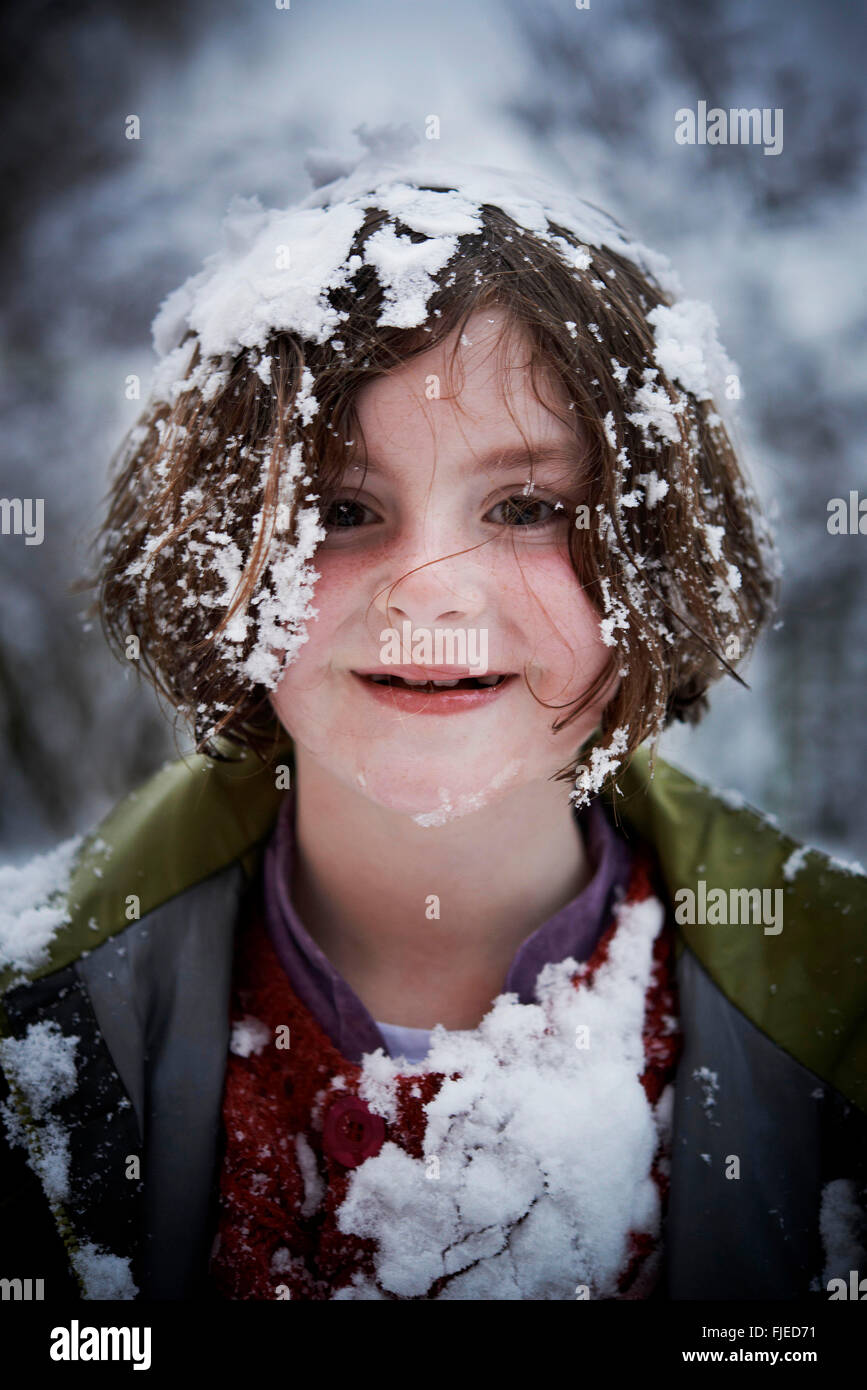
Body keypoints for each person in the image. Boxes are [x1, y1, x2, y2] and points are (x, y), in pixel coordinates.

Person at [1, 151, 864, 1302]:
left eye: (526, 508)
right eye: (344, 509)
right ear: (218, 564)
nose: (431, 589)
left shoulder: (848, 1004)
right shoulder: (25, 1020)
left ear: (655, 554)